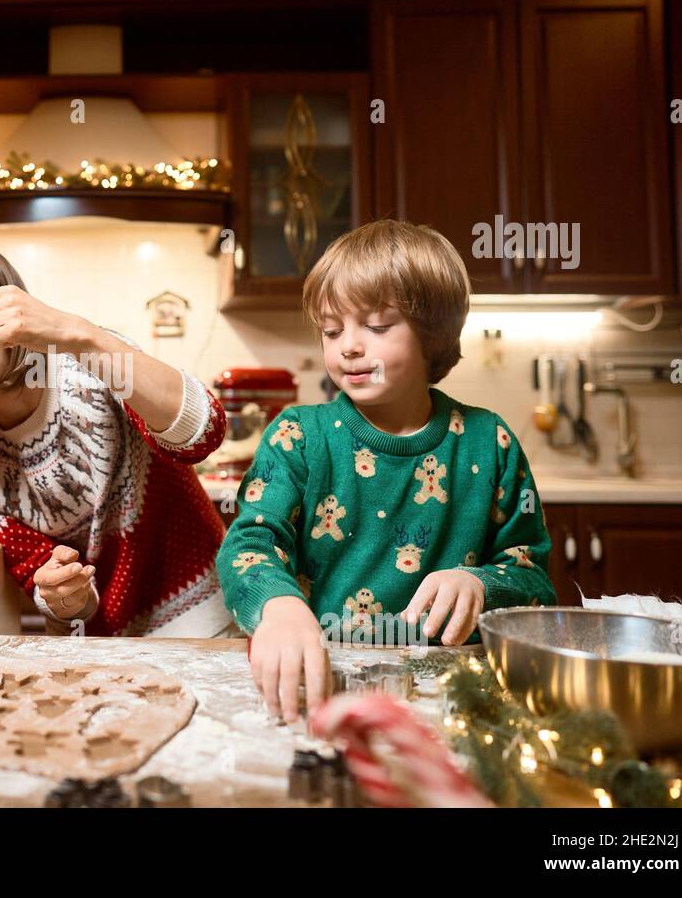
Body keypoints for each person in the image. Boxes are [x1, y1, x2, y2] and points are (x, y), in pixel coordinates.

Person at [217, 219, 555, 723]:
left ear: (432, 336)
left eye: (376, 327)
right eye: (332, 331)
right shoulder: (300, 436)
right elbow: (251, 544)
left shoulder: (492, 441)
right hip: (322, 682)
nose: (349, 346)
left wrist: (482, 584)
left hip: (451, 694)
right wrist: (278, 608)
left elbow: (533, 579)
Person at [0, 247, 235, 637]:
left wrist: (77, 333)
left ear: (3, 322)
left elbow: (202, 434)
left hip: (204, 619)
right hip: (100, 645)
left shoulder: (91, 363)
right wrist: (65, 595)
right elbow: (44, 578)